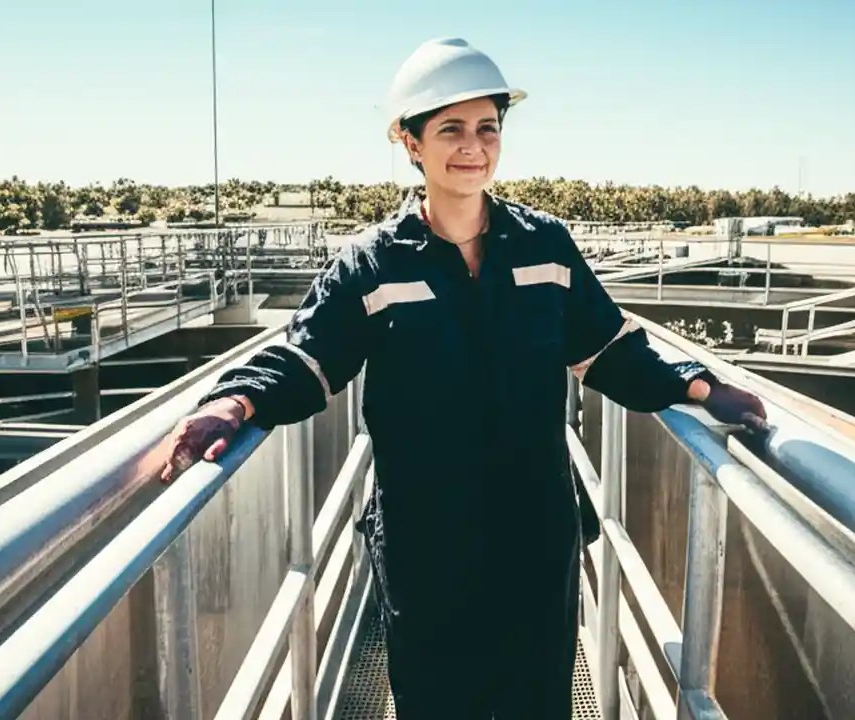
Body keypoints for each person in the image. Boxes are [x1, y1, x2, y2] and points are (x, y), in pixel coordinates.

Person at [159, 37, 767, 720]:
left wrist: (700, 386)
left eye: (487, 128)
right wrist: (235, 403)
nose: (472, 146)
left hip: (536, 537)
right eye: (451, 129)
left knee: (538, 704)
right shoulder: (374, 265)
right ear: (410, 142)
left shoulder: (545, 247)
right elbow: (309, 361)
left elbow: (609, 350)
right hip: (427, 548)